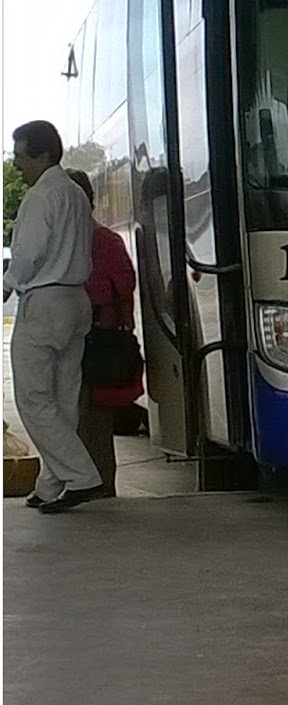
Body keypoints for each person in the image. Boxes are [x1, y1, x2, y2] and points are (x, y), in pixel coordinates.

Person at [2, 121, 104, 513]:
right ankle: (51, 482)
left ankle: (80, 476)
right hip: (75, 299)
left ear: (43, 155)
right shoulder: (76, 194)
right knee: (63, 397)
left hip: (43, 301)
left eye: (19, 156)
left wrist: (8, 283)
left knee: (33, 398)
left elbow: (28, 252)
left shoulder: (41, 196)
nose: (16, 165)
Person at [67, 170, 139, 498]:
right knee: (94, 422)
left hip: (87, 341)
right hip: (98, 337)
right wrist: (125, 325)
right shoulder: (107, 240)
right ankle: (98, 486)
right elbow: (125, 287)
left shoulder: (83, 241)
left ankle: (87, 485)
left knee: (84, 418)